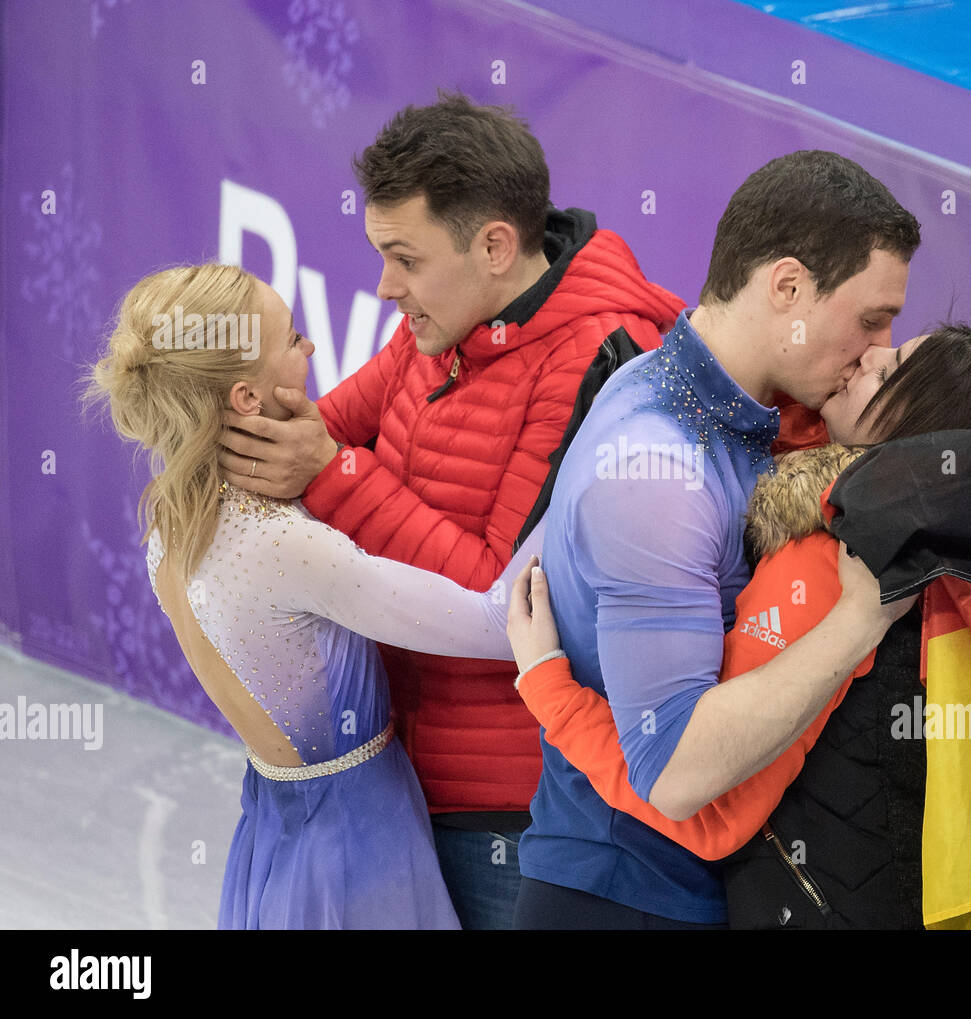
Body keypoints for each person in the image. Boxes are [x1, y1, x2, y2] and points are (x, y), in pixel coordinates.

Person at [214, 92, 683, 928]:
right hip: (401, 776)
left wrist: (332, 475)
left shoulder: (601, 362)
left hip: (508, 812)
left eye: (404, 258)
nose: (386, 285)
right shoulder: (442, 320)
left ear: (494, 246)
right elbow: (319, 434)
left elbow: (500, 600)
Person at [506, 325, 971, 928]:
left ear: (918, 435)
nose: (866, 353)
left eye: (888, 371)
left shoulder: (838, 559)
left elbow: (708, 807)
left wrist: (551, 692)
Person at [503, 149, 923, 928]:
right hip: (620, 898)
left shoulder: (712, 403)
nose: (878, 347)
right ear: (788, 287)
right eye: (871, 319)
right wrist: (864, 618)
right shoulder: (659, 476)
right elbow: (679, 772)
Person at [83, 263, 522, 929]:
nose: (310, 348)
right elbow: (496, 621)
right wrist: (579, 469)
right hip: (358, 846)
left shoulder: (168, 526)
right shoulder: (286, 545)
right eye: (291, 340)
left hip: (273, 831)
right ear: (245, 400)